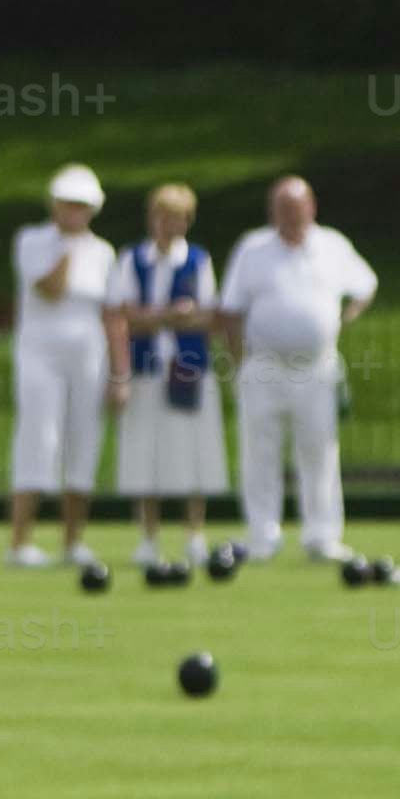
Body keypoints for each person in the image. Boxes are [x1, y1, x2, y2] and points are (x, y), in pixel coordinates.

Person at [217, 175, 379, 562]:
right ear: (272, 212)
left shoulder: (332, 245)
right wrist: (240, 364)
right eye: (281, 208)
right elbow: (231, 310)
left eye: (296, 207)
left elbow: (366, 283)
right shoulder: (252, 248)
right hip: (263, 366)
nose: (289, 215)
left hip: (315, 368)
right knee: (259, 452)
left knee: (319, 451)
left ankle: (322, 535)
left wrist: (344, 315)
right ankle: (262, 536)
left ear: (312, 208)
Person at [5, 166, 124, 569]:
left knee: (84, 440)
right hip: (39, 354)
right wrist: (68, 251)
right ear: (54, 205)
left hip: (89, 355)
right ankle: (20, 543)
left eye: (82, 206)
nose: (75, 212)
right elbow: (50, 289)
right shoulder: (33, 241)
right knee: (39, 438)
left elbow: (113, 314)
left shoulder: (105, 252)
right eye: (68, 204)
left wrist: (119, 374)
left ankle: (73, 542)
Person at [114, 185, 227, 564]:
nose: (166, 225)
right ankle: (148, 539)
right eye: (160, 217)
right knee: (145, 454)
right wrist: (168, 316)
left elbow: (209, 316)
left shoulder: (198, 259)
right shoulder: (133, 260)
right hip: (146, 368)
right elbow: (127, 317)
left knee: (194, 452)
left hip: (188, 369)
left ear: (186, 221)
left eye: (175, 217)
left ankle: (195, 534)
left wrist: (171, 316)